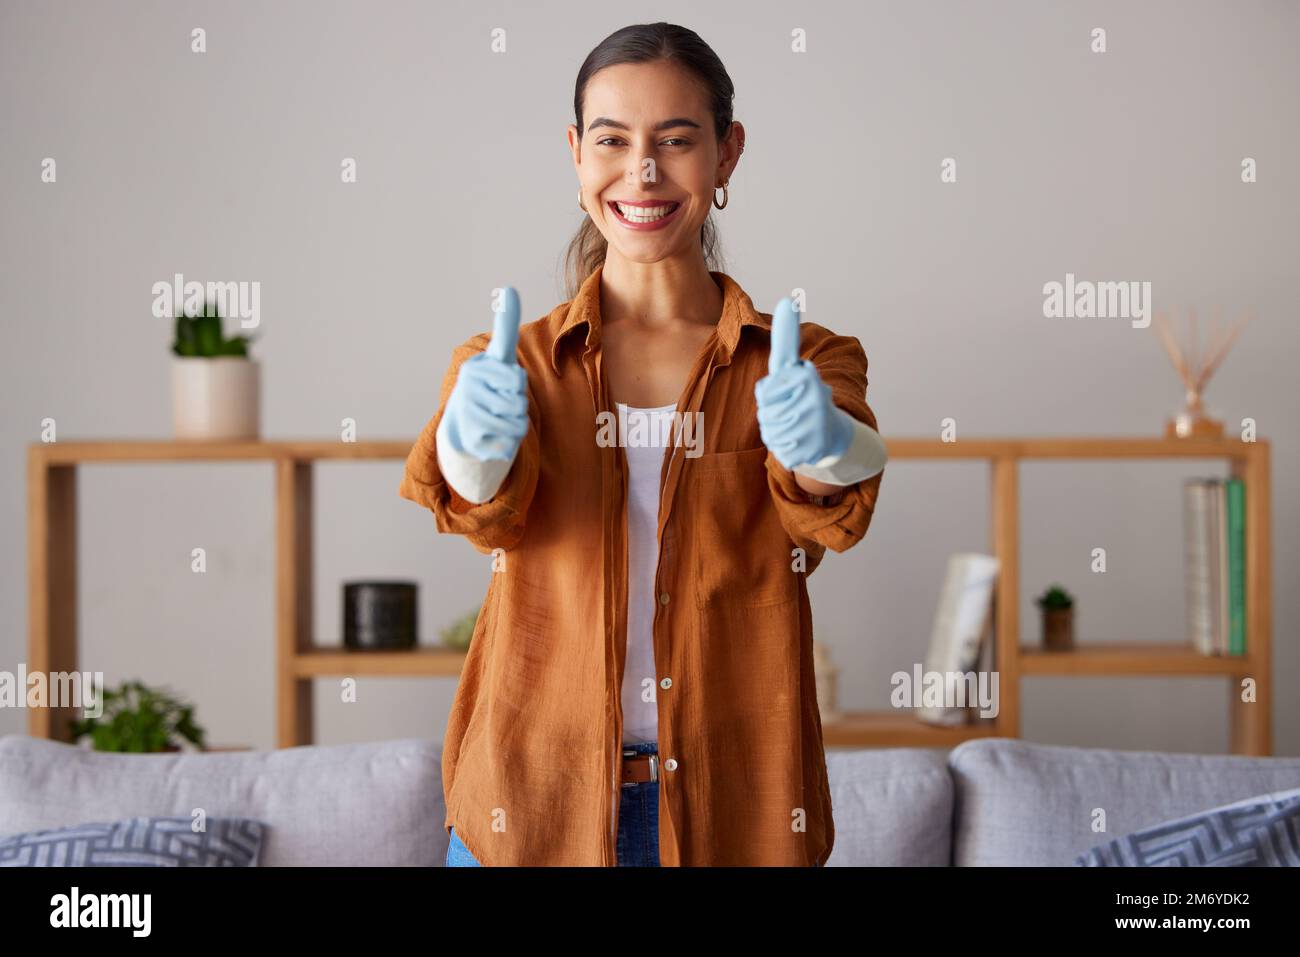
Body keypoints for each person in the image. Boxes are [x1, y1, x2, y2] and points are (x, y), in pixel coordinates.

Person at [401, 21, 887, 867]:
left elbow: (833, 498)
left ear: (727, 154)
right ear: (575, 155)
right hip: (529, 814)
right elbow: (480, 509)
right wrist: (471, 450)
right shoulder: (509, 363)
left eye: (677, 140)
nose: (644, 171)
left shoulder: (805, 360)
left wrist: (828, 445)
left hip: (733, 825)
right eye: (613, 140)